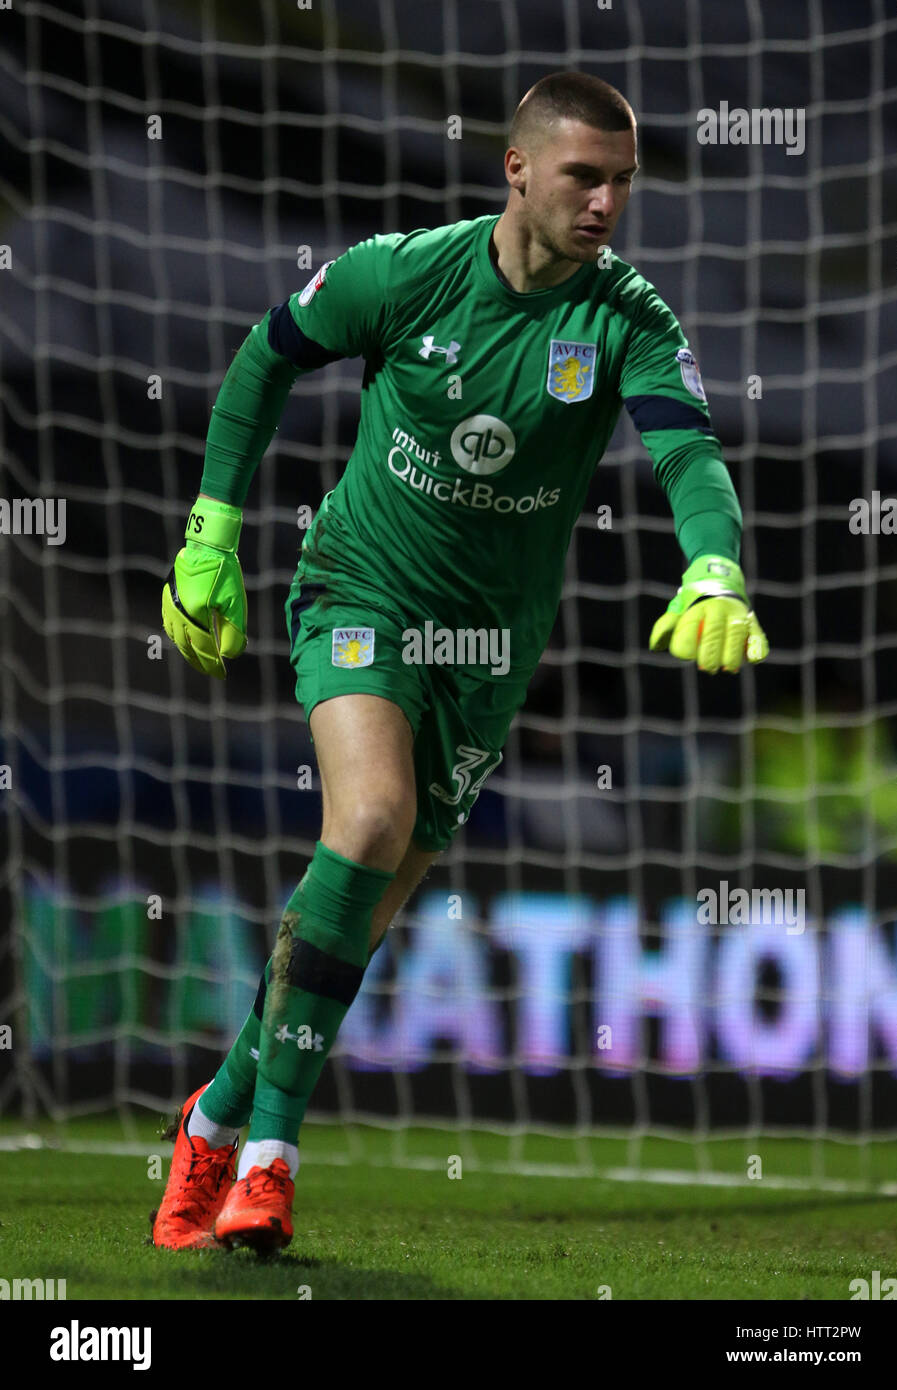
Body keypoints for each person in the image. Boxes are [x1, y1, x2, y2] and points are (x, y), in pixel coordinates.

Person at [153, 70, 768, 1252]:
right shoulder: (404, 272)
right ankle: (269, 1159)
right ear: (519, 169)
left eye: (622, 183)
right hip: (361, 588)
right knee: (369, 819)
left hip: (487, 646)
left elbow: (688, 453)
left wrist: (712, 568)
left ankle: (217, 1111)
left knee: (362, 912)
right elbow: (262, 357)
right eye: (583, 176)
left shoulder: (629, 320)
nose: (604, 203)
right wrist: (211, 534)